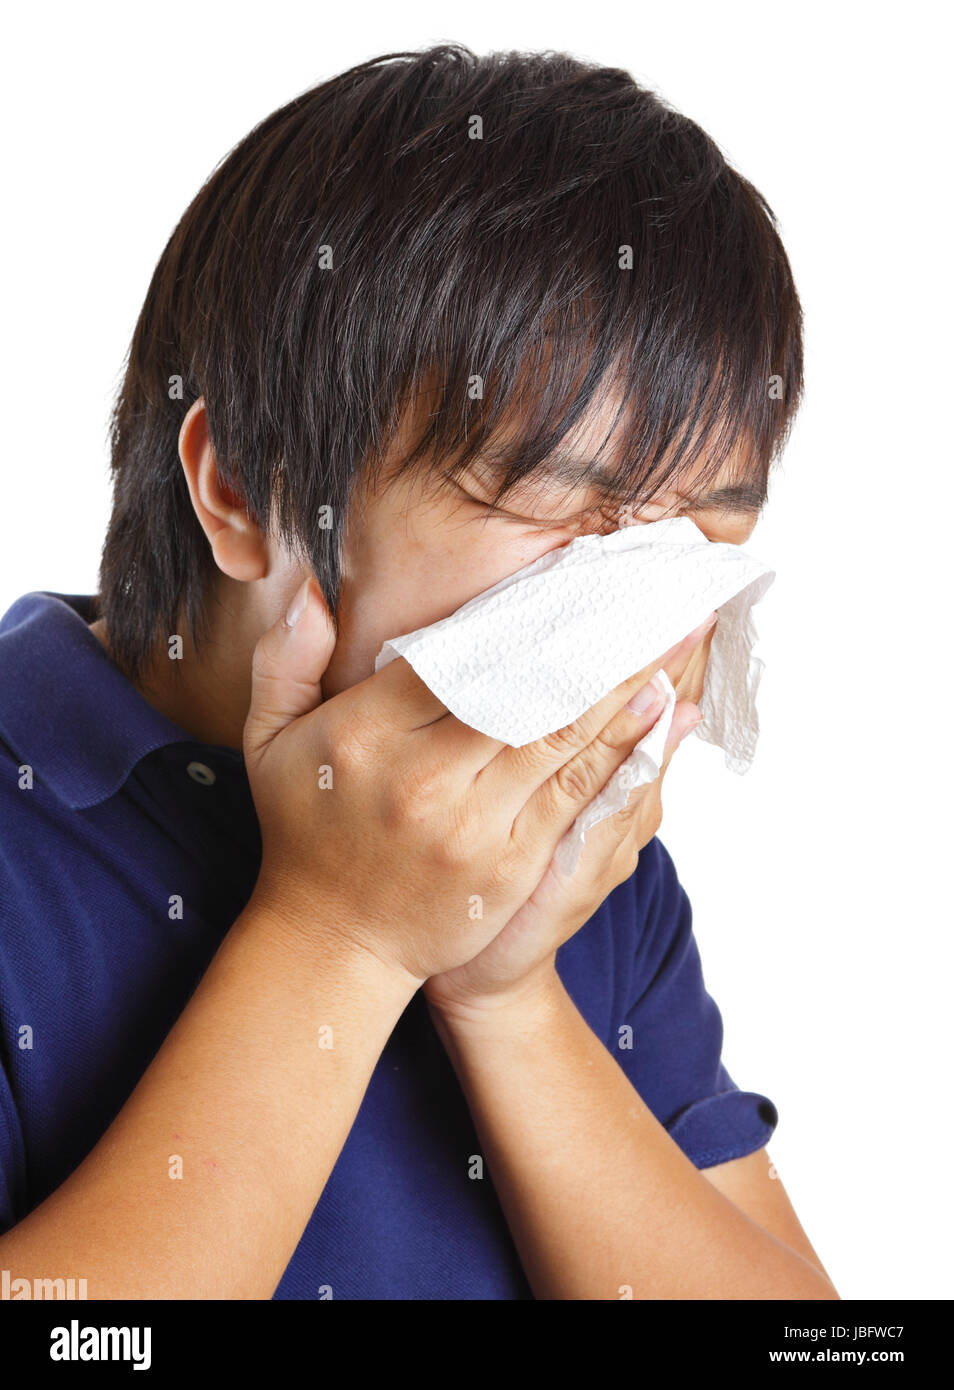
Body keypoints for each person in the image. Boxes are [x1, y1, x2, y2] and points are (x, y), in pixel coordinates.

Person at [0, 43, 838, 1299]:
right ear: (247, 491)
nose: (640, 614)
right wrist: (337, 932)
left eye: (701, 545)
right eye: (576, 516)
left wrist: (507, 995)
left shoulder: (586, 880)